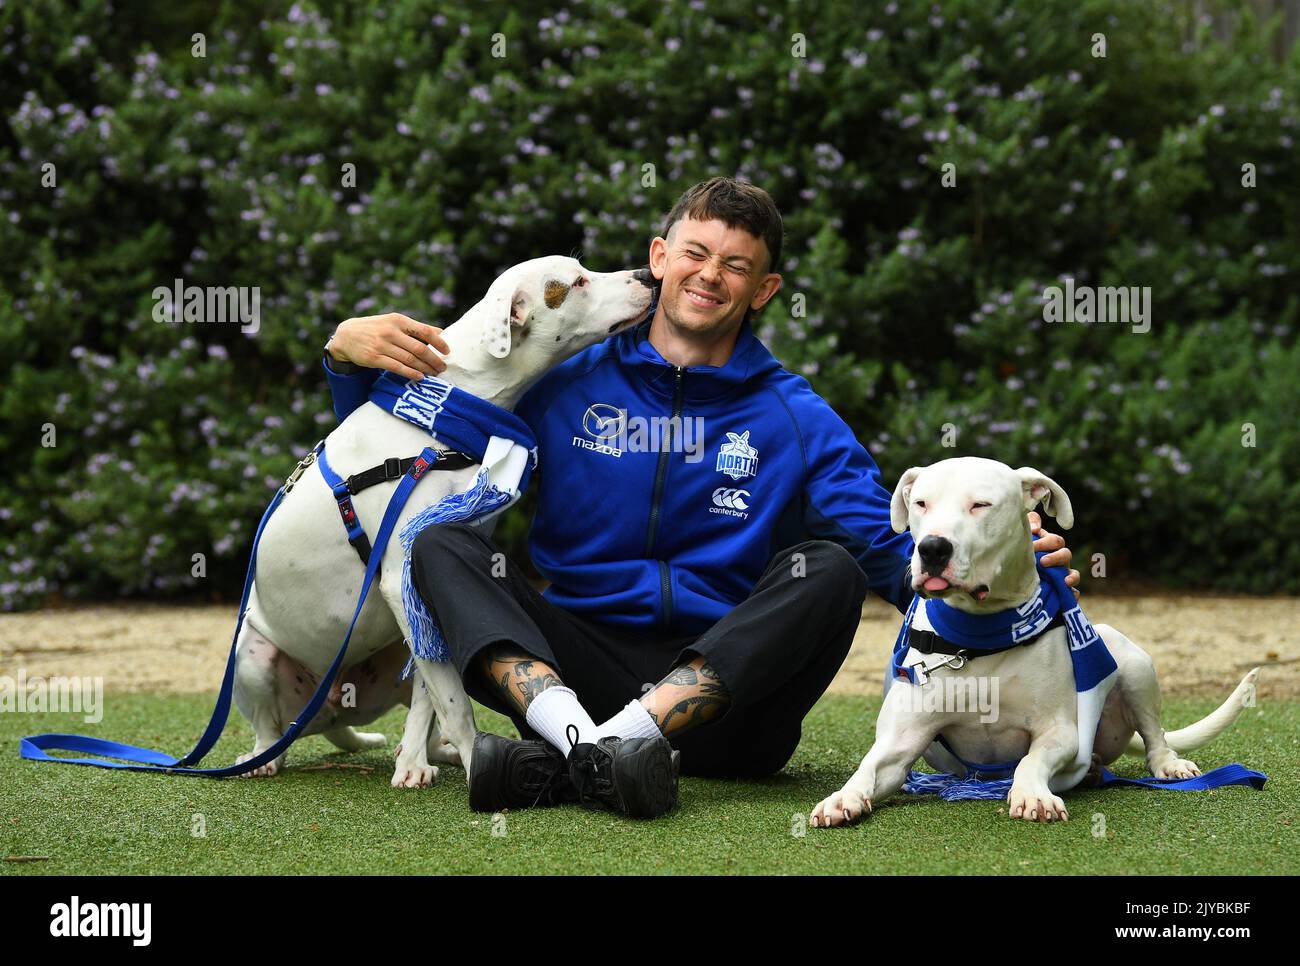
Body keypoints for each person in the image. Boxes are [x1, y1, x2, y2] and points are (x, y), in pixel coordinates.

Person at [321, 177, 1078, 819]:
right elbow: (421, 446)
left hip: (729, 709)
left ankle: (574, 755)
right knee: (439, 541)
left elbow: (892, 554)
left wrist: (1009, 574)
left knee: (829, 571)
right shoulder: (562, 383)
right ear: (661, 258)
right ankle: (598, 751)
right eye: (695, 253)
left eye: (737, 265)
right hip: (575, 667)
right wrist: (348, 359)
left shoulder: (795, 414)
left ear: (764, 290)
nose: (710, 275)